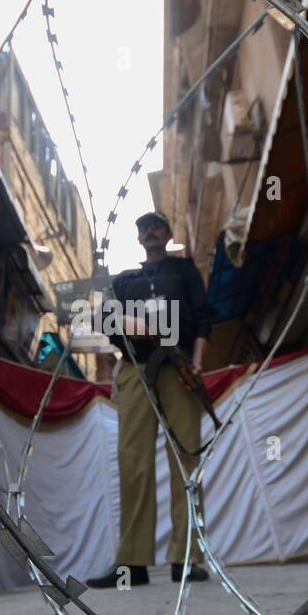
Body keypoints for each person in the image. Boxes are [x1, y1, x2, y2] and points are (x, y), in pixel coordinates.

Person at [88, 211, 213, 588]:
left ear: (168, 233)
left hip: (178, 369)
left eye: (157, 226)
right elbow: (106, 320)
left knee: (186, 458)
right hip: (136, 368)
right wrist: (144, 329)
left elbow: (203, 318)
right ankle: (133, 564)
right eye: (143, 227)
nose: (150, 231)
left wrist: (195, 364)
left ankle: (187, 559)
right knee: (134, 464)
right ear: (138, 237)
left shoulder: (185, 270)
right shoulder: (125, 280)